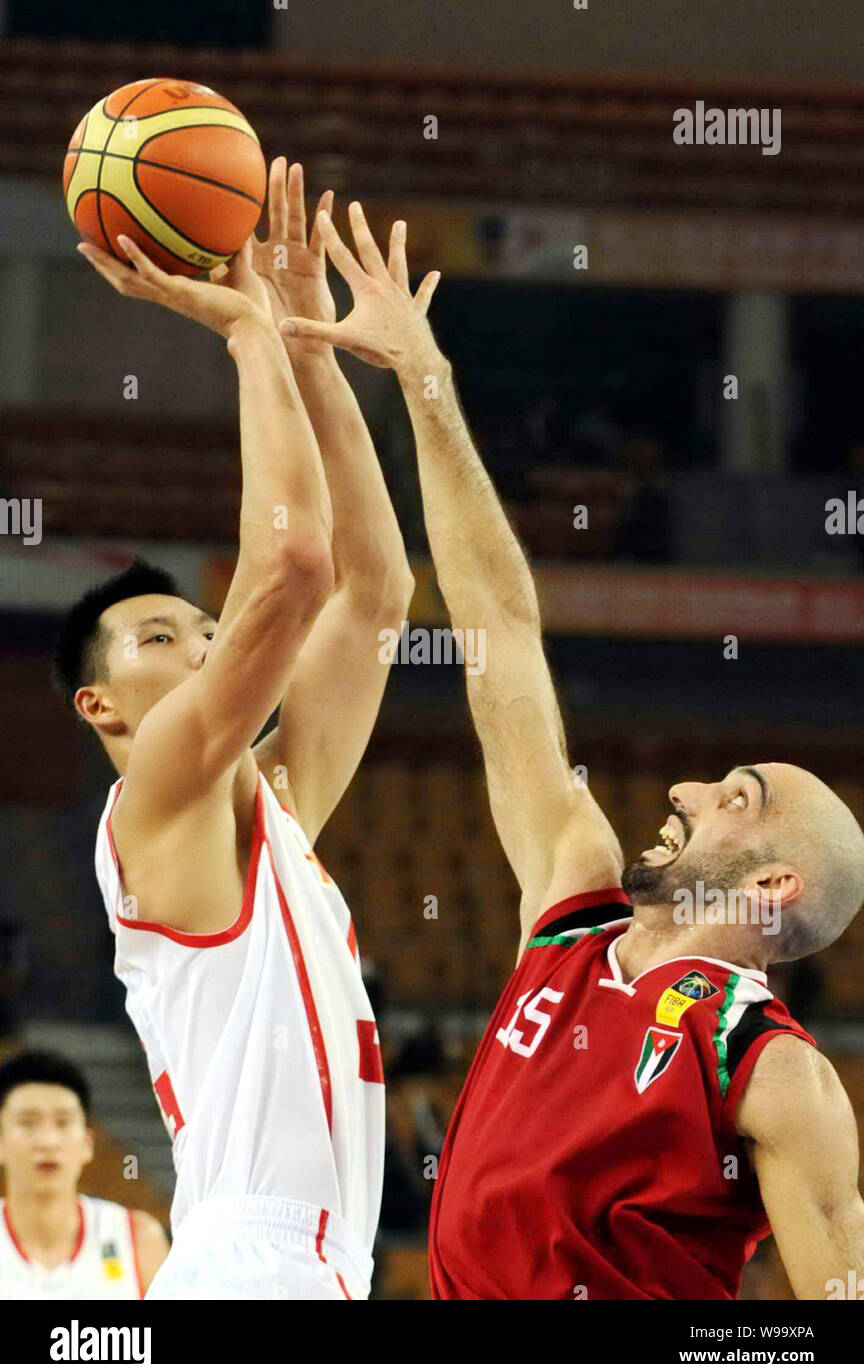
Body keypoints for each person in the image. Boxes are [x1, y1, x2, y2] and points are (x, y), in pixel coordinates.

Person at [283, 204, 864, 1300]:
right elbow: (496, 622)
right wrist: (424, 378)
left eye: (735, 796)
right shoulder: (574, 901)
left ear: (776, 883)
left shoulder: (779, 1072)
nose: (687, 786)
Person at [53, 163, 414, 1299]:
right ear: (100, 705)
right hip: (257, 1261)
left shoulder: (272, 810)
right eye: (159, 639)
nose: (203, 645)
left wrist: (308, 345)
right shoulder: (151, 794)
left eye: (205, 627)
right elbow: (295, 564)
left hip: (306, 1261)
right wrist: (248, 335)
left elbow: (374, 593)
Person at [0, 1049, 167, 1298]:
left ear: (88, 1144)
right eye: (28, 1122)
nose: (47, 1141)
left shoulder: (139, 1239)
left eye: (63, 1122)